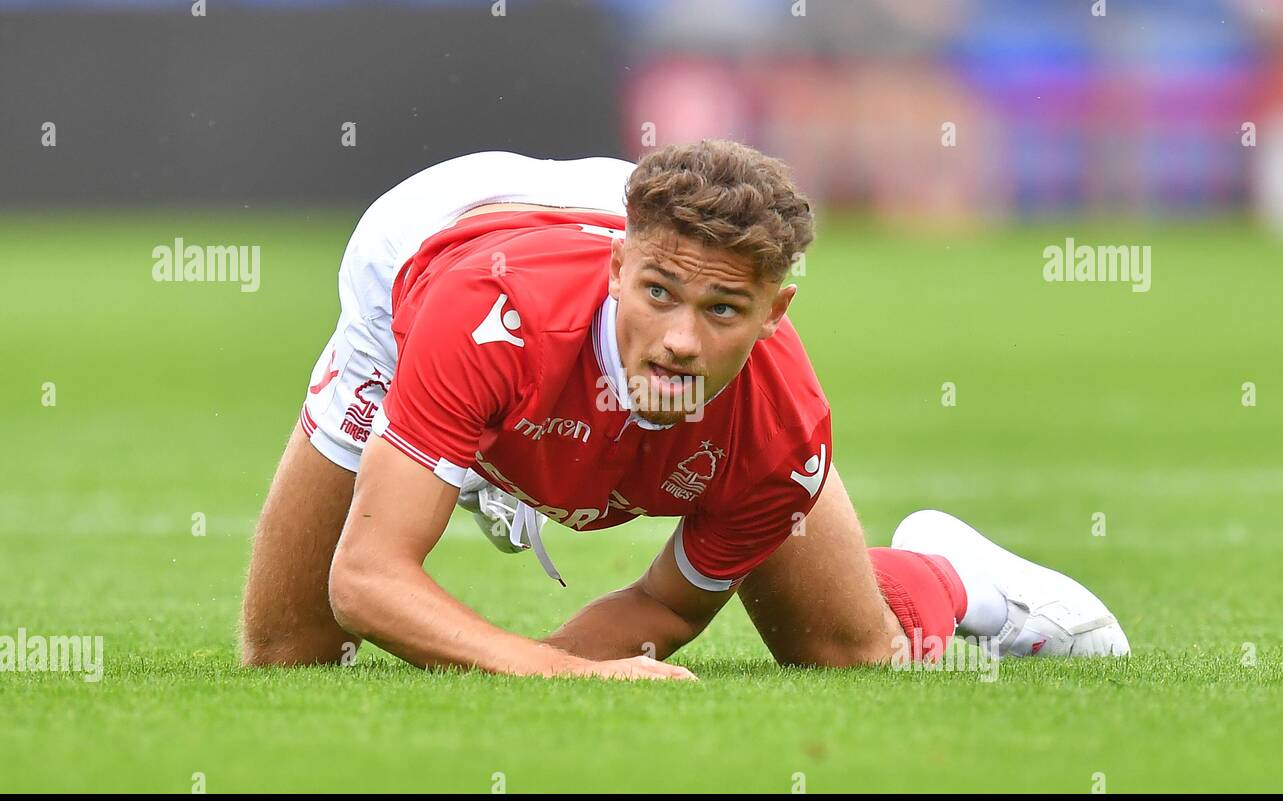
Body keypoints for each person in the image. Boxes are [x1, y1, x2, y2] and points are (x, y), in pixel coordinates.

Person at [240, 141, 1129, 679]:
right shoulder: (483, 318)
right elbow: (364, 580)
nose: (678, 341)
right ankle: (477, 453)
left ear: (773, 315)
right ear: (618, 270)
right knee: (288, 653)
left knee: (847, 652)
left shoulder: (779, 417)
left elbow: (662, 610)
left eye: (723, 313)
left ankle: (956, 575)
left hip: (575, 270)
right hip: (428, 242)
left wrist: (539, 665)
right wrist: (547, 671)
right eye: (658, 294)